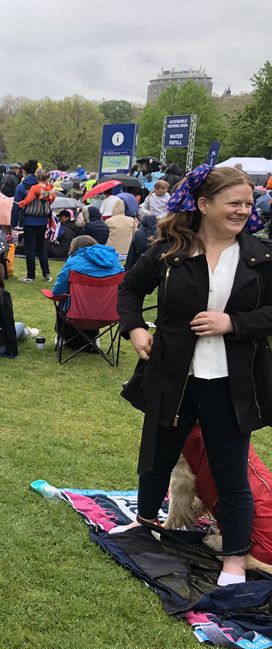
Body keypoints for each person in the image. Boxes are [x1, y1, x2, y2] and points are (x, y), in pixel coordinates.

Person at [118, 165, 272, 586]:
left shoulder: (260, 256)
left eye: (247, 202)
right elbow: (130, 289)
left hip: (231, 383)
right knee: (158, 455)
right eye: (234, 203)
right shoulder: (171, 251)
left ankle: (236, 559)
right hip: (172, 375)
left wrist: (233, 324)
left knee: (230, 470)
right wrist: (134, 328)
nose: (244, 210)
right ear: (204, 205)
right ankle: (145, 522)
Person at [17, 168, 54, 283]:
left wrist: (20, 204)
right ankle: (46, 273)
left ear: (37, 177)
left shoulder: (34, 188)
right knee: (41, 247)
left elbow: (28, 200)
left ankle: (31, 275)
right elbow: (51, 201)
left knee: (30, 248)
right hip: (42, 221)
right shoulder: (50, 189)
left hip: (30, 221)